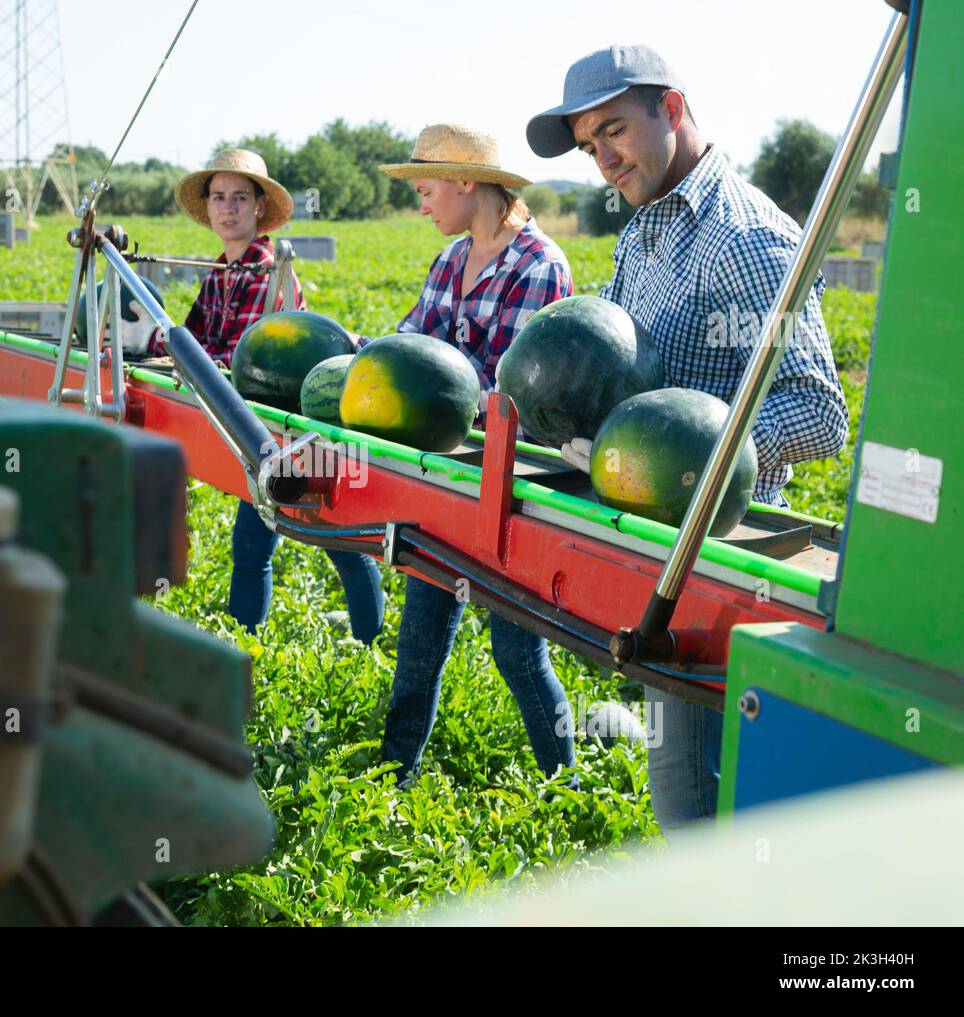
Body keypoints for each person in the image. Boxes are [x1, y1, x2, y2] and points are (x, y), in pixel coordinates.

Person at [527, 46, 849, 830]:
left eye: (614, 130)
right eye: (587, 145)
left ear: (671, 109)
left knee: (686, 798)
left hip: (719, 566)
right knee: (701, 782)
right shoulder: (641, 232)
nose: (603, 159)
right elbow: (620, 365)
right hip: (654, 540)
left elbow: (819, 413)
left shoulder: (743, 236)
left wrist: (691, 459)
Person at [375, 124, 577, 787]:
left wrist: (425, 395)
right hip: (448, 480)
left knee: (517, 650)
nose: (422, 204)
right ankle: (391, 782)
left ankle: (565, 788)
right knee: (418, 642)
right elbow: (410, 346)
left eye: (428, 190)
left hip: (514, 486)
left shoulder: (537, 266)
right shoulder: (447, 262)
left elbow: (513, 395)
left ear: (467, 183)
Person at [164, 148, 384, 643]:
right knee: (267, 539)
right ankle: (253, 644)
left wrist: (191, 355)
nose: (228, 208)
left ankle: (365, 640)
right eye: (218, 197)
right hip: (261, 427)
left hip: (292, 427)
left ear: (259, 207)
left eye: (239, 197)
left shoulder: (267, 270)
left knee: (336, 535)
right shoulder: (222, 270)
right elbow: (196, 340)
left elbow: (239, 360)